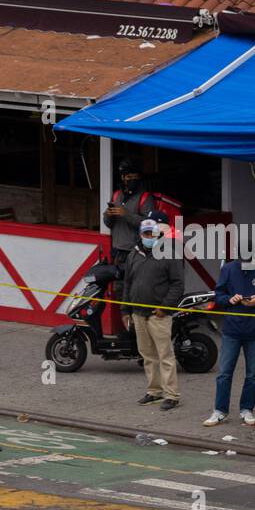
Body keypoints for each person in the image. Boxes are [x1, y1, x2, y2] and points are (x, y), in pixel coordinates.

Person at [205, 254, 255, 427]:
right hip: (232, 329)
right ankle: (220, 410)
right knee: (224, 372)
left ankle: (247, 409)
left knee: (253, 374)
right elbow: (219, 294)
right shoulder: (228, 269)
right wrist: (229, 299)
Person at [122, 211, 184, 411]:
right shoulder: (133, 254)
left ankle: (172, 395)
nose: (149, 237)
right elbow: (127, 283)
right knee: (147, 355)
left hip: (159, 314)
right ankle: (154, 391)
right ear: (141, 234)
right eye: (146, 233)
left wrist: (164, 307)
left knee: (165, 355)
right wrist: (126, 310)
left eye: (153, 233)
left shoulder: (169, 253)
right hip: (138, 313)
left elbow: (177, 284)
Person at [103, 159, 156, 267]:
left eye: (135, 177)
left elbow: (149, 225)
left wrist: (126, 214)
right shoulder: (116, 195)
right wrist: (108, 215)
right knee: (119, 284)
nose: (133, 180)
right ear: (123, 178)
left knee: (134, 284)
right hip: (117, 251)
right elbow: (108, 223)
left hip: (135, 252)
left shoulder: (145, 198)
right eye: (129, 177)